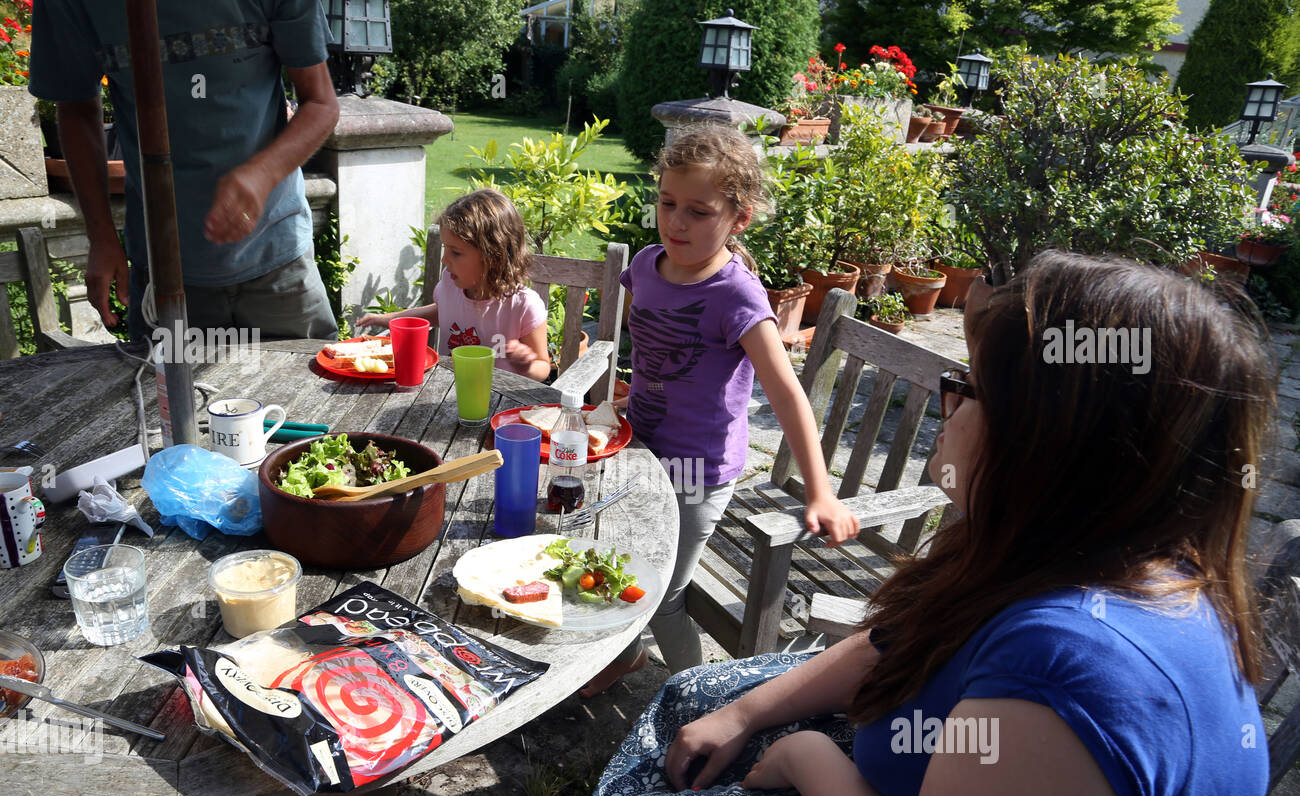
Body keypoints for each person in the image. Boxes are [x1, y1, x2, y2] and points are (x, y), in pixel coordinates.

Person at [530, 250, 1274, 796]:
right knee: (691, 697)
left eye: (969, 385)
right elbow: (899, 637)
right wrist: (748, 714)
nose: (946, 408)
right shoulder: (1066, 550)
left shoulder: (1080, 667)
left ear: (1050, 444)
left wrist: (807, 755)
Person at [575, 125, 860, 698]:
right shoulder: (648, 268)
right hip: (639, 449)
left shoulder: (739, 297)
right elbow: (656, 354)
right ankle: (623, 658)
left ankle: (700, 702)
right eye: (668, 203)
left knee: (661, 598)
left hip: (697, 470)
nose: (676, 221)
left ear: (740, 218)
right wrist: (627, 394)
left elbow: (787, 394)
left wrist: (821, 491)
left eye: (699, 211)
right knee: (613, 557)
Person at [29, 0, 340, 342]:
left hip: (280, 263)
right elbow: (76, 110)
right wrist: (101, 238)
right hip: (162, 273)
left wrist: (263, 173)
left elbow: (321, 103)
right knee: (163, 394)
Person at [357, 188, 550, 382]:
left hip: (500, 401)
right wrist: (389, 319)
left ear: (493, 256)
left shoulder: (523, 305)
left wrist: (528, 366)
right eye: (445, 249)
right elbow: (442, 311)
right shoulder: (451, 283)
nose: (444, 260)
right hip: (446, 389)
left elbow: (543, 366)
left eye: (455, 252)